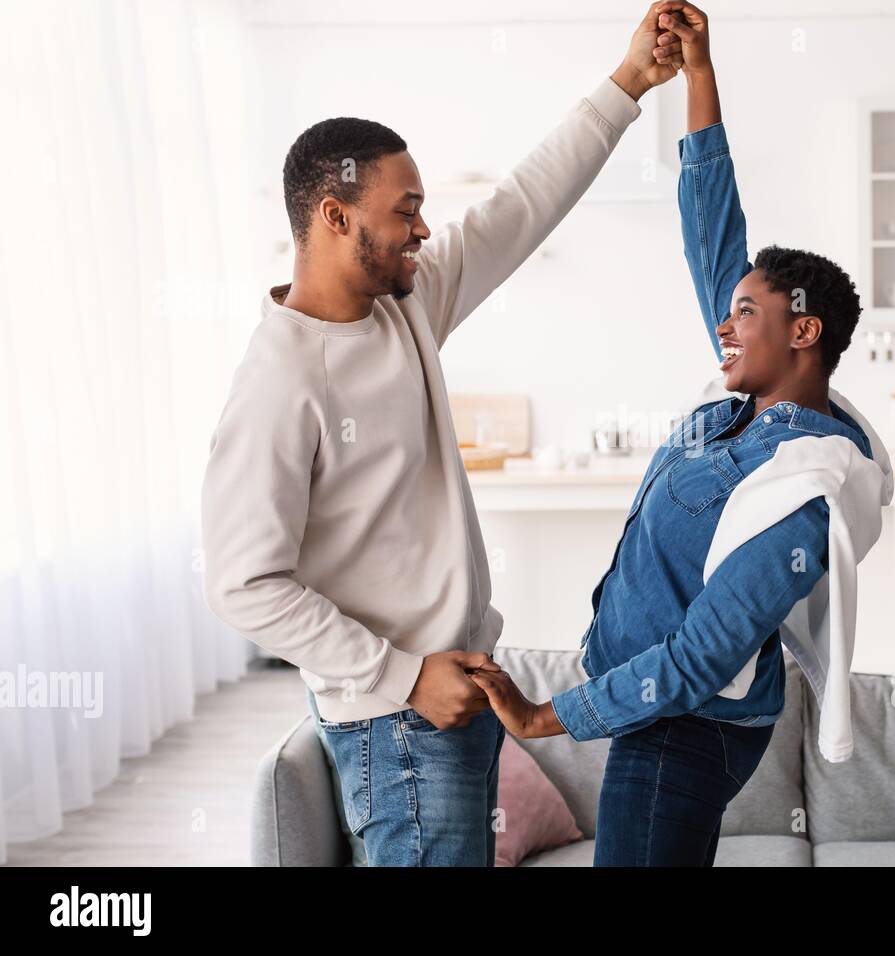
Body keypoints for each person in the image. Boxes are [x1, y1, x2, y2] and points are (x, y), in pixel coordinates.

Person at [199, 6, 686, 867]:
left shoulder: (406, 307)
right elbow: (243, 584)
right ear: (335, 216)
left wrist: (631, 80)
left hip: (452, 697)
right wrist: (406, 676)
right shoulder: (279, 379)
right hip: (398, 725)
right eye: (406, 210)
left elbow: (521, 205)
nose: (423, 230)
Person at [469, 1, 874, 866]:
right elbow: (710, 229)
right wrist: (698, 75)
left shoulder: (804, 487)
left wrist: (547, 716)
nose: (724, 324)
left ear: (803, 332)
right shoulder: (740, 408)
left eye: (745, 313)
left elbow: (700, 656)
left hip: (686, 727)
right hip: (659, 711)